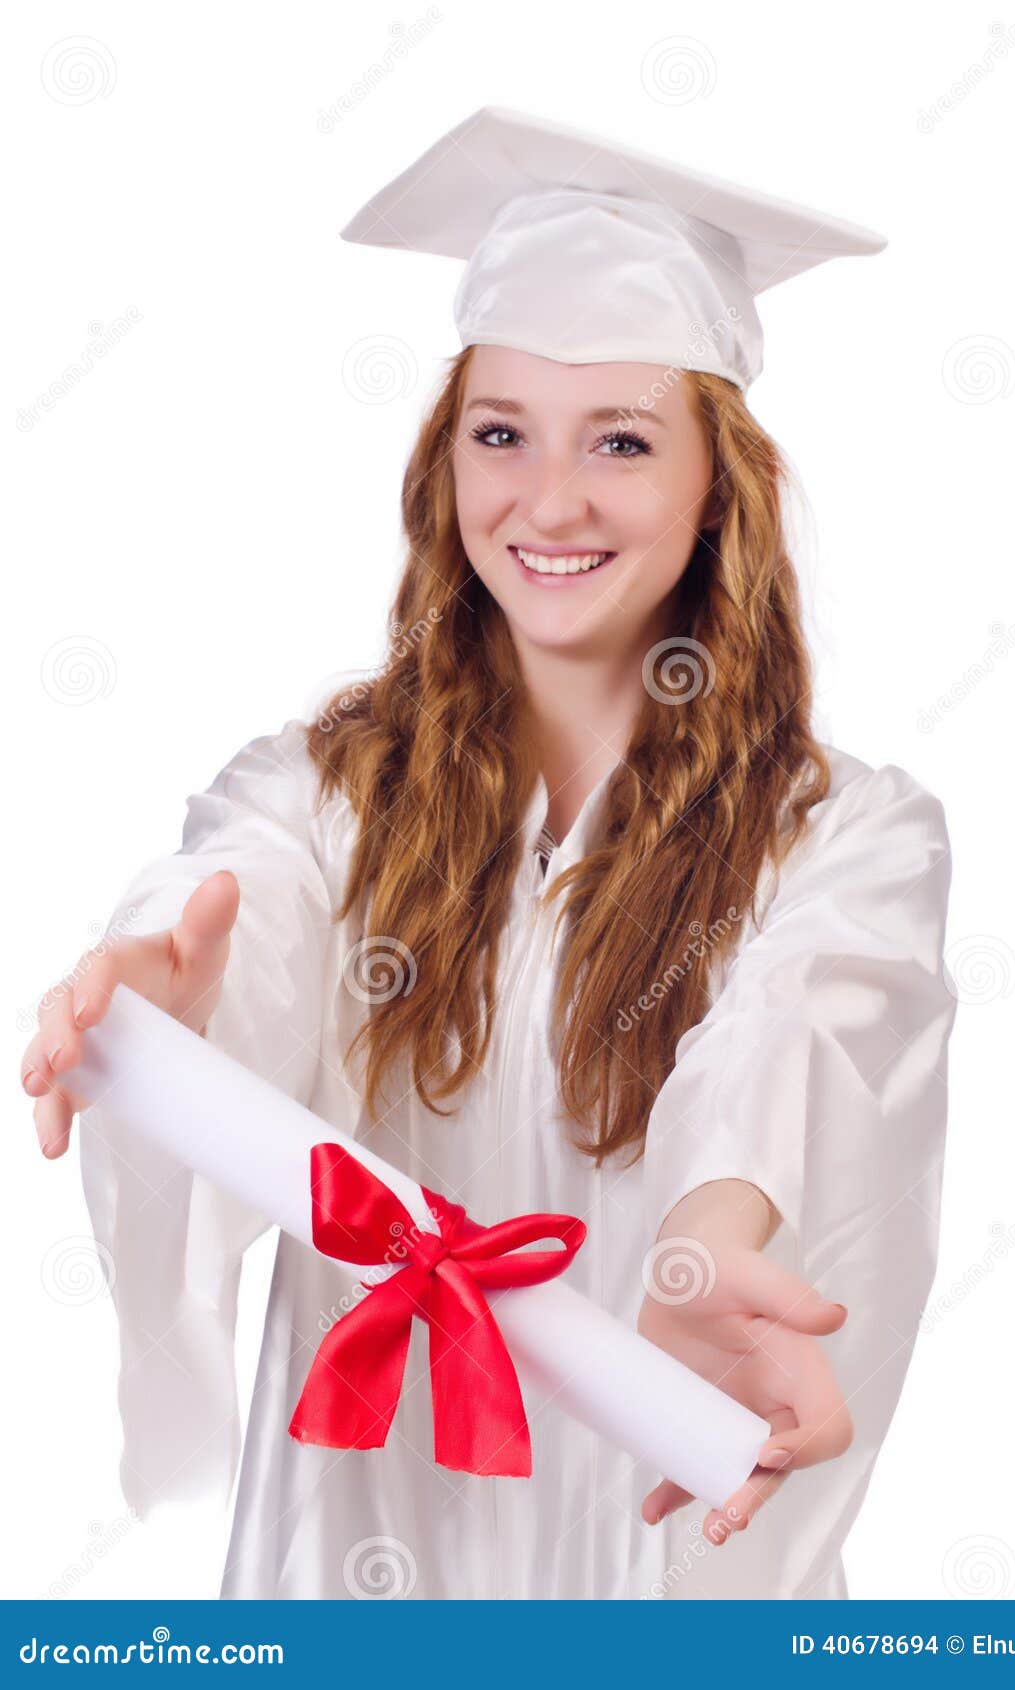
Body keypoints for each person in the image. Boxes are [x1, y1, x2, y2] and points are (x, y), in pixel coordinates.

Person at [21, 108, 957, 1600]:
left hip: (654, 1496)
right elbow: (251, 903)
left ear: (722, 485)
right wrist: (167, 989)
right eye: (501, 432)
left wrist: (712, 1243)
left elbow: (805, 1030)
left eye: (625, 443)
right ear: (444, 459)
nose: (551, 500)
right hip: (372, 1516)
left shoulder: (843, 834)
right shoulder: (325, 791)